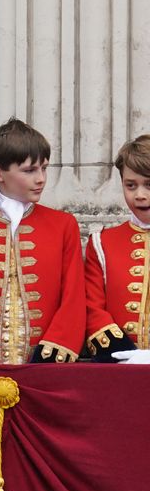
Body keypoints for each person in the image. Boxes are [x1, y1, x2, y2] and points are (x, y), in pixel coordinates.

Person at [0, 119, 85, 363]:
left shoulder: (63, 225)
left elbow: (73, 296)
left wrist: (56, 349)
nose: (41, 179)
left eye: (44, 168)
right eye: (29, 170)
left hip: (46, 367)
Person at [85, 134, 150, 363]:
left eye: (149, 184)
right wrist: (126, 354)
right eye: (130, 185)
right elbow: (92, 308)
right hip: (120, 366)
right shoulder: (102, 243)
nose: (140, 195)